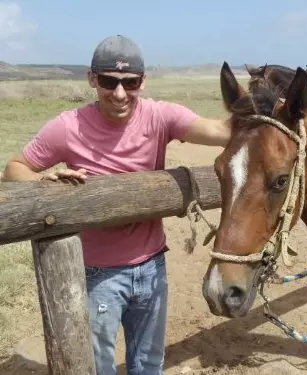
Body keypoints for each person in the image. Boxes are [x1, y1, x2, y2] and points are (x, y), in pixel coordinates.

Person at [1, 35, 231, 375]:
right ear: (92, 79)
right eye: (109, 81)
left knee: (149, 363)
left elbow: (219, 130)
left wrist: (276, 111)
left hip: (153, 266)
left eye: (130, 82)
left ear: (142, 82)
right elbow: (14, 169)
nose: (119, 93)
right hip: (97, 273)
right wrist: (40, 185)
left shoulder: (159, 116)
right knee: (99, 366)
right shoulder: (68, 127)